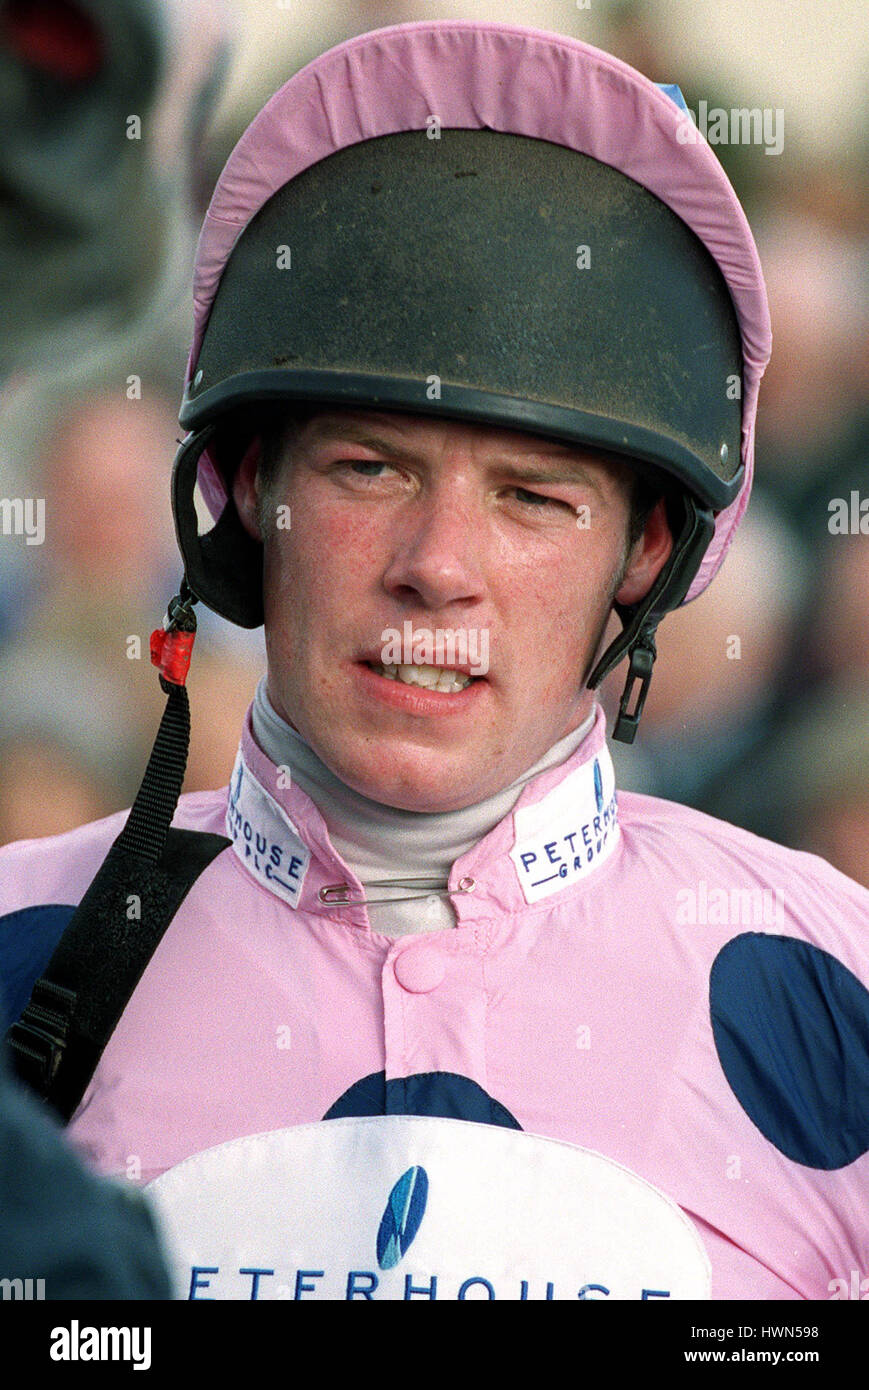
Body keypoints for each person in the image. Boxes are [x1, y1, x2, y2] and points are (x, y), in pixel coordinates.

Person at [2, 21, 867, 1302]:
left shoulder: (837, 982)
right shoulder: (22, 944)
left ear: (644, 556)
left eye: (531, 497)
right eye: (369, 467)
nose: (437, 562)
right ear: (245, 498)